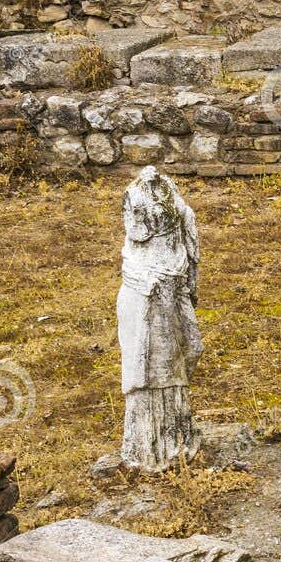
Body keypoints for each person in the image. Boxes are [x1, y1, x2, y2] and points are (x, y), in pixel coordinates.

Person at [118, 166, 203, 472]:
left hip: (173, 289)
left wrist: (185, 286)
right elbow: (134, 241)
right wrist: (148, 283)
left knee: (191, 349)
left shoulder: (181, 216)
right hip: (147, 296)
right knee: (153, 370)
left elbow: (191, 262)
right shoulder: (135, 256)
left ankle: (178, 435)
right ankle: (152, 447)